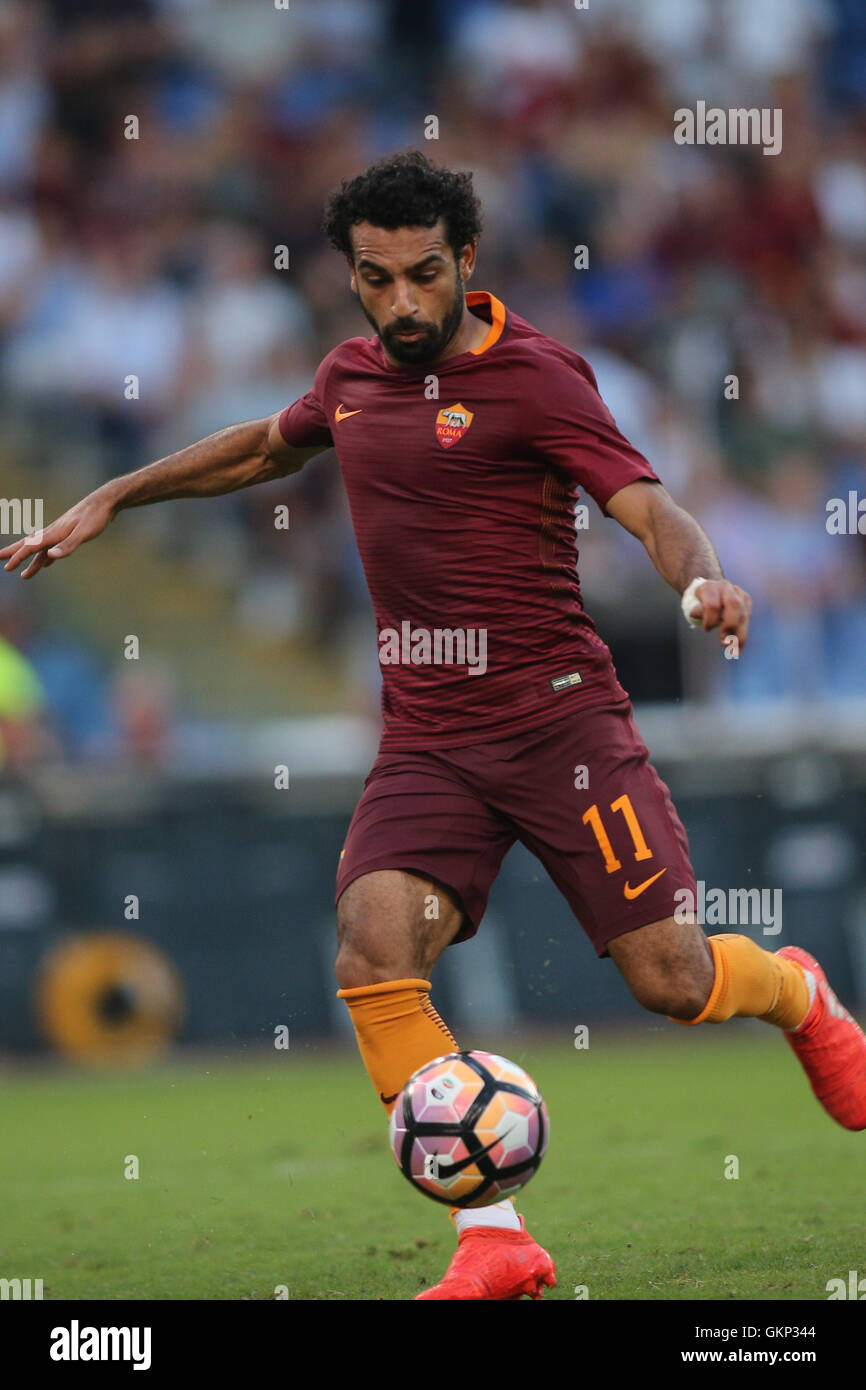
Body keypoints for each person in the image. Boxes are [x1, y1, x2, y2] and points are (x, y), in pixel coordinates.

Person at [4, 151, 864, 1301]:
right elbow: (268, 445)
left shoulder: (539, 378)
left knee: (672, 979)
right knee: (371, 950)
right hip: (427, 740)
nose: (400, 303)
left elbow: (648, 507)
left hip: (559, 726)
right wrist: (113, 494)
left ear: (464, 259)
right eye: (374, 279)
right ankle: (495, 1238)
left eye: (421, 275)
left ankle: (797, 990)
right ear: (348, 276)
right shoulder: (350, 376)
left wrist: (696, 581)